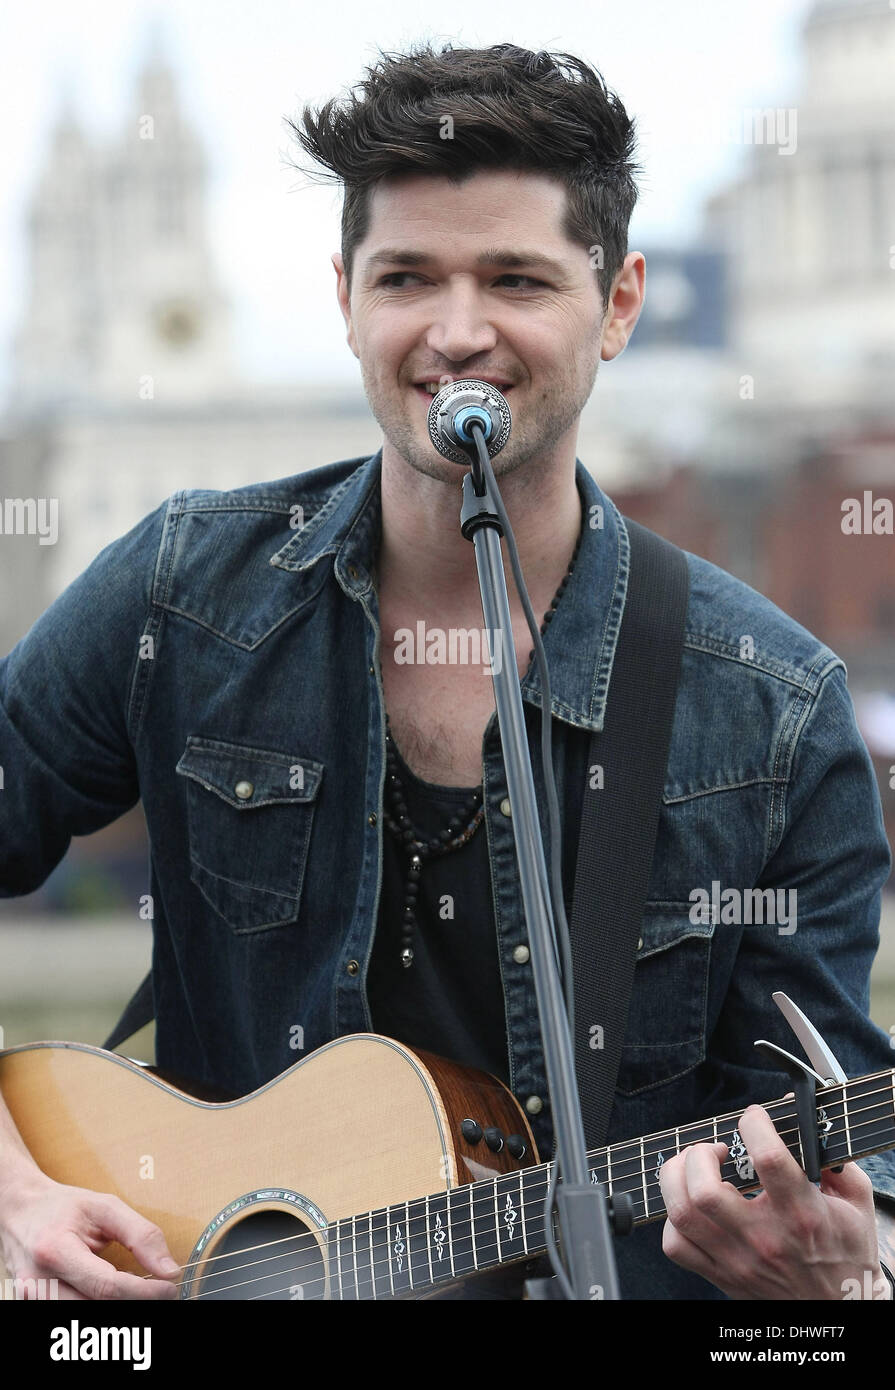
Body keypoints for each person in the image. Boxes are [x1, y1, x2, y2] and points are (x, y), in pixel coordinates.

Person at [0, 41, 893, 1302]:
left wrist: (839, 1284)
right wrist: (17, 1191)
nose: (457, 332)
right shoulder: (177, 593)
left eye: (516, 278)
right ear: (346, 298)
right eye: (408, 276)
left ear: (622, 302)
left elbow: (841, 1158)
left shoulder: (777, 715)